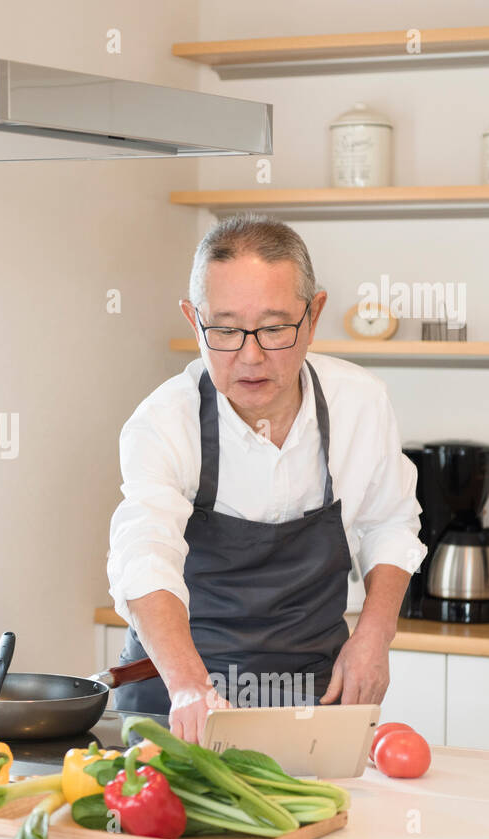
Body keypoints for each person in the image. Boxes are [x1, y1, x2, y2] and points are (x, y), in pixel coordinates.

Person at [107, 213, 426, 743]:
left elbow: (390, 521)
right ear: (194, 320)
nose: (250, 357)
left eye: (275, 328)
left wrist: (375, 634)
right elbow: (143, 554)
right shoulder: (164, 420)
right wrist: (190, 686)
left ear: (314, 313)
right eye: (226, 330)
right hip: (179, 699)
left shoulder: (359, 403)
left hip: (311, 693)